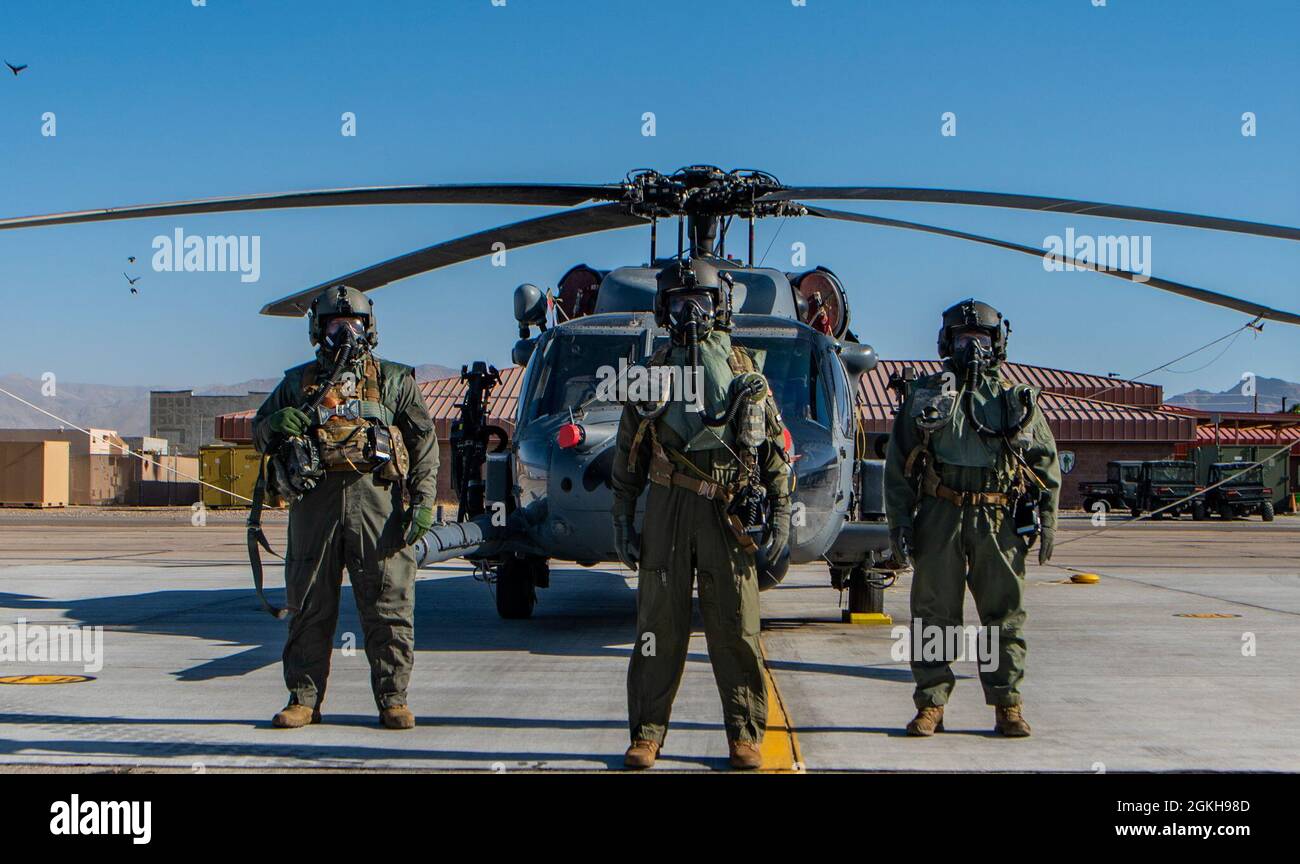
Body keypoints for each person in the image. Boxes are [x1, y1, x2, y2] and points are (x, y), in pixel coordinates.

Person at [610, 257, 793, 770]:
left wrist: (780, 514)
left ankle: (744, 733)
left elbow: (774, 452)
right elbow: (629, 457)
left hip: (727, 510)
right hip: (668, 506)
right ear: (663, 309)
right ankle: (647, 733)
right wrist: (622, 518)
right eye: (680, 303)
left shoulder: (746, 372)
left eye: (703, 301)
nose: (692, 311)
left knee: (737, 626)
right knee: (657, 626)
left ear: (722, 306)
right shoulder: (650, 377)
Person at [252, 284, 438, 730]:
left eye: (353, 324)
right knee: (309, 605)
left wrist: (424, 502)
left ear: (369, 328)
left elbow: (424, 443)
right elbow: (260, 432)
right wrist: (276, 423)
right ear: (319, 330)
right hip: (314, 509)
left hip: (379, 509)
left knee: (388, 607)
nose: (346, 332)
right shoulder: (297, 383)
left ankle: (393, 699)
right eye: (336, 324)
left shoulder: (395, 380)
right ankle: (303, 699)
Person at [884, 299, 1060, 738]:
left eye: (980, 340)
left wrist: (1049, 520)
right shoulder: (924, 396)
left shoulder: (1016, 401)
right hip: (940, 513)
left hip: (998, 518)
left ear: (997, 344)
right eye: (964, 340)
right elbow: (898, 462)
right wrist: (900, 523)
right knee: (933, 615)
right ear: (948, 343)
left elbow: (1045, 464)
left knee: (1004, 615)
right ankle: (932, 704)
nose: (972, 349)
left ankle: (1007, 705)